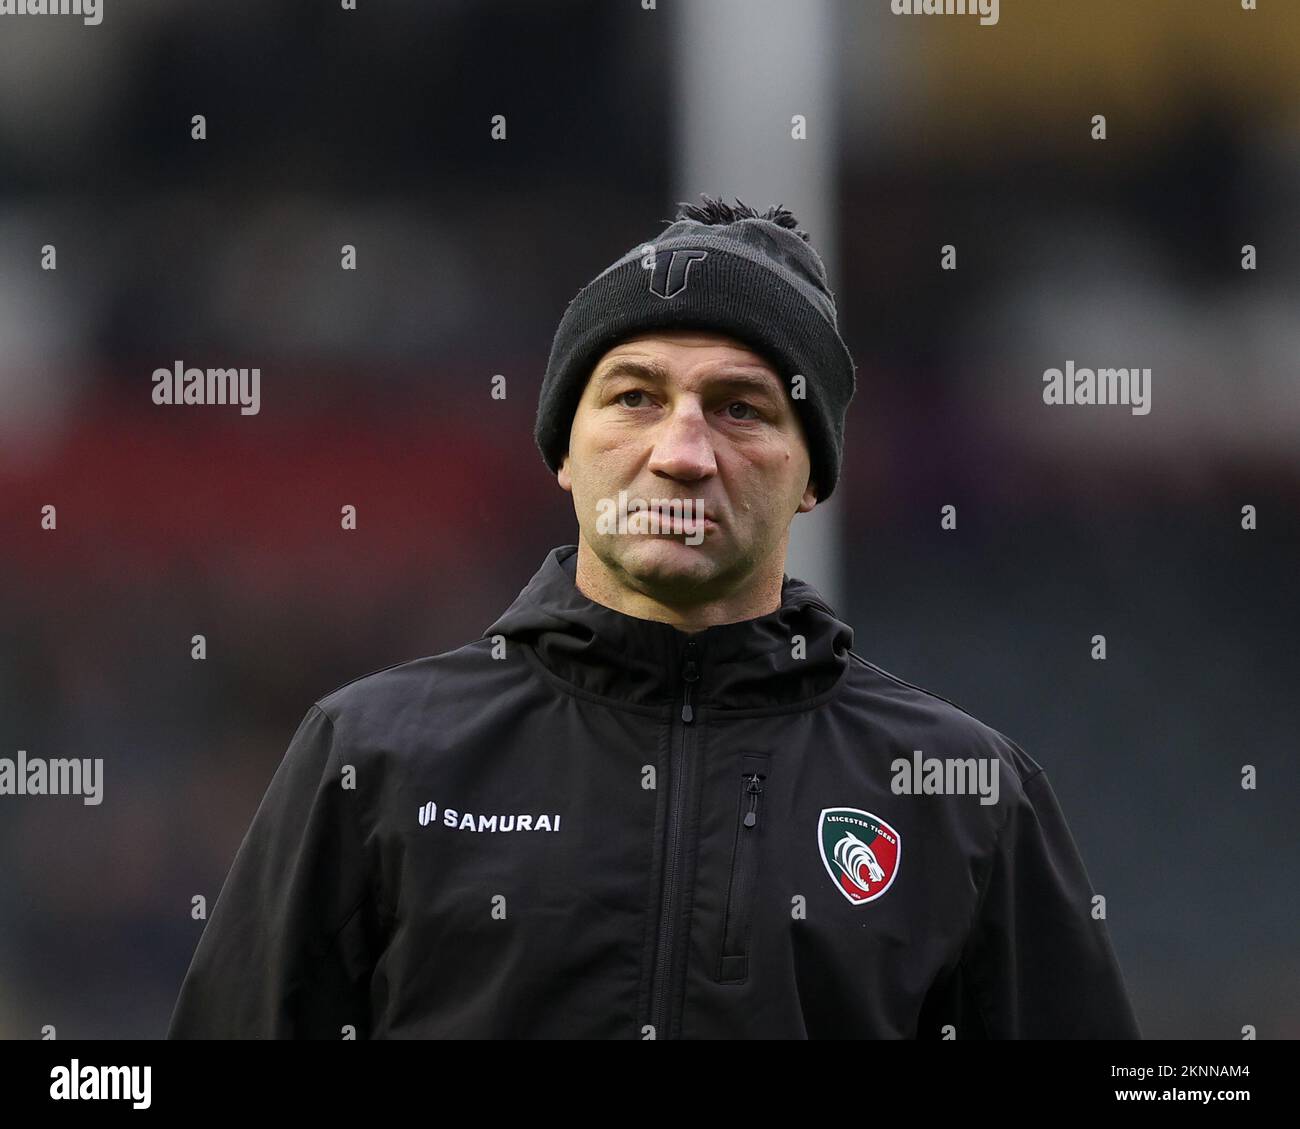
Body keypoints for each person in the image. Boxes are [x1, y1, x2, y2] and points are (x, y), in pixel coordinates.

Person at [167, 195, 1142, 1039]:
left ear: (813, 475)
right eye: (634, 396)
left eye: (741, 409)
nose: (682, 450)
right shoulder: (372, 754)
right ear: (564, 449)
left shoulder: (957, 796)